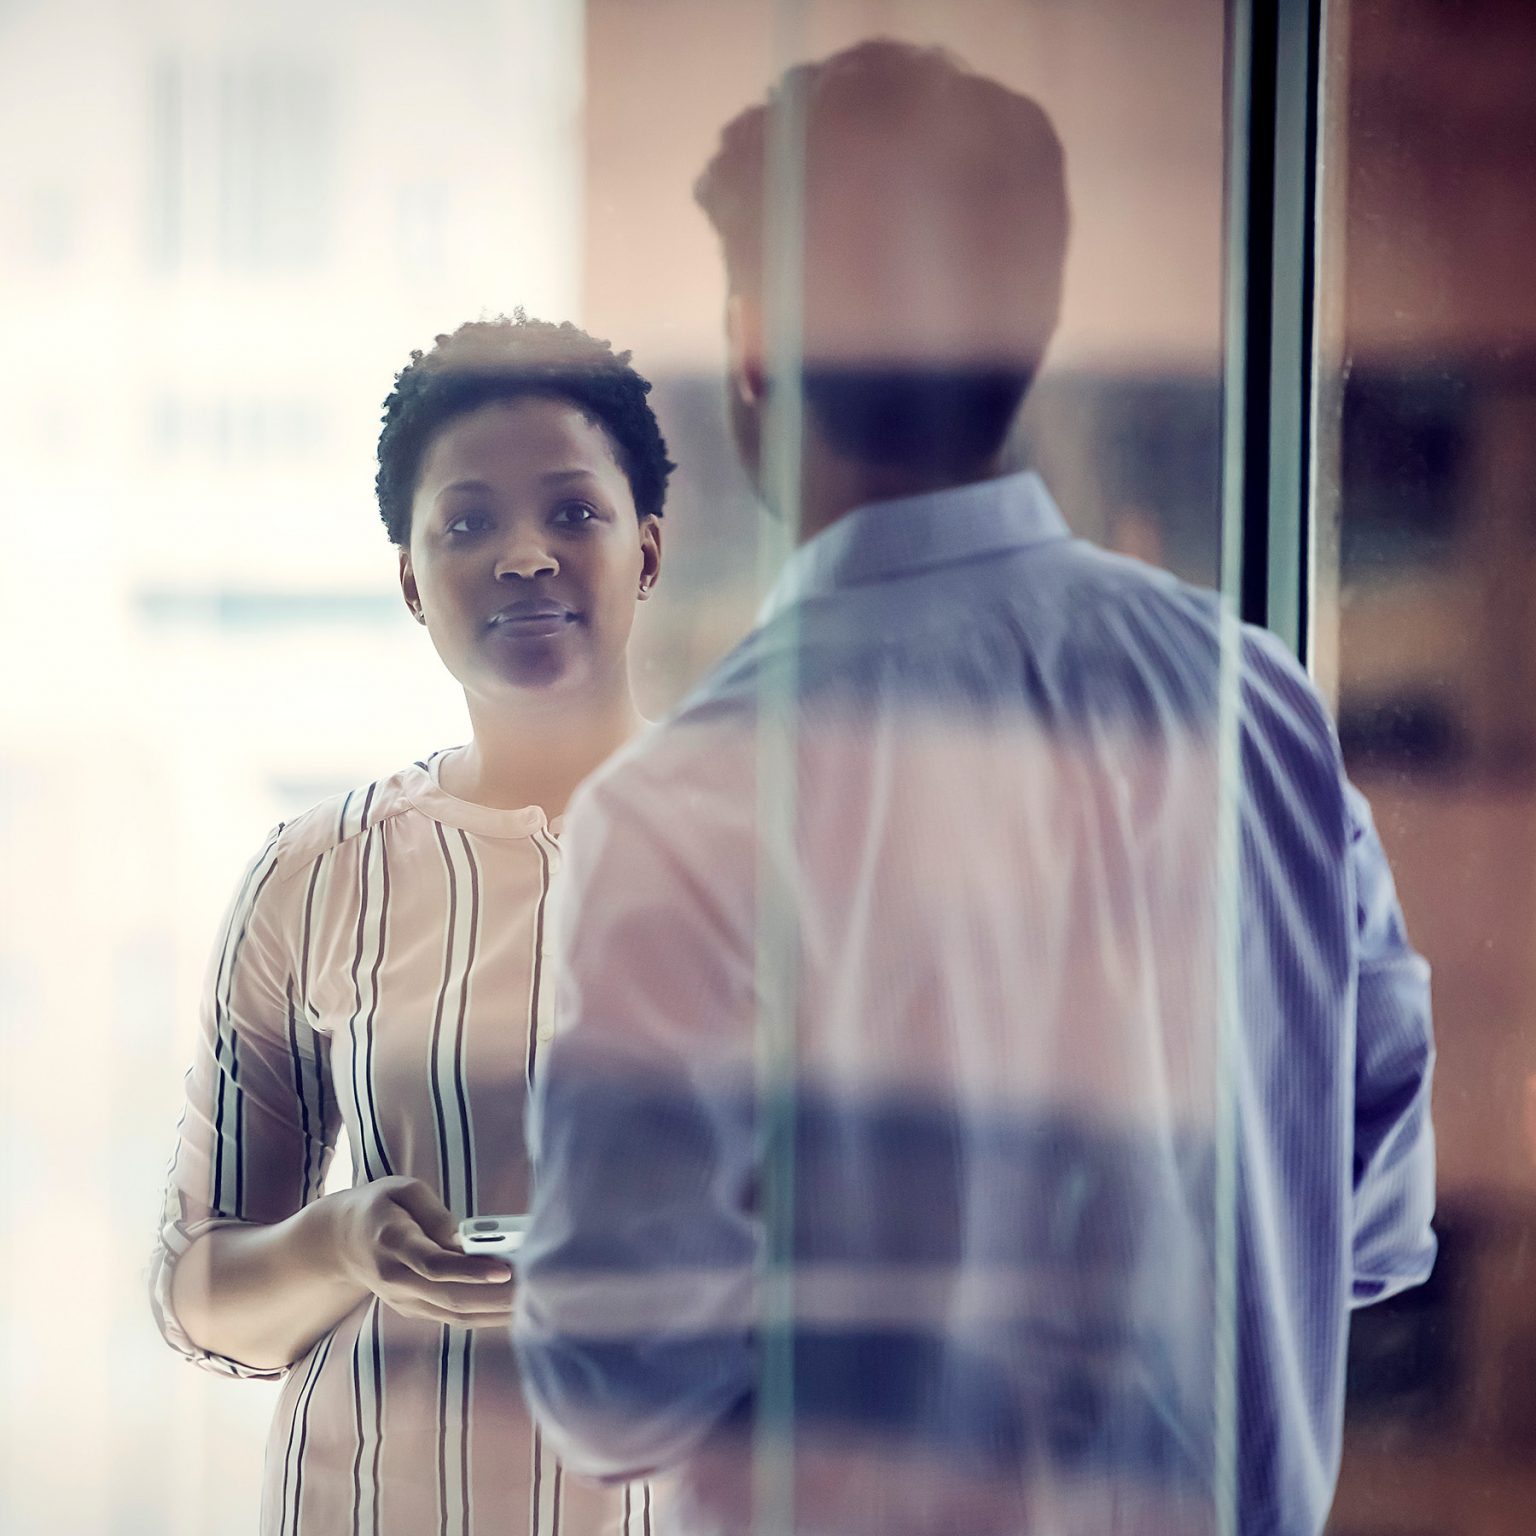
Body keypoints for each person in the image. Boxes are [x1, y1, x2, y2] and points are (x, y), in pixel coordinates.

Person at [512, 41, 1437, 1536]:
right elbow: (1371, 1229)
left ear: (756, 345)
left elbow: (616, 1388)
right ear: (1030, 337)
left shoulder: (688, 808)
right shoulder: (1256, 707)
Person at [152, 313, 672, 1536]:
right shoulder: (315, 874)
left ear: (647, 549)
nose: (526, 557)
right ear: (408, 578)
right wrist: (338, 1246)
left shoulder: (782, 849)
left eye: (574, 513)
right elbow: (199, 1292)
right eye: (469, 523)